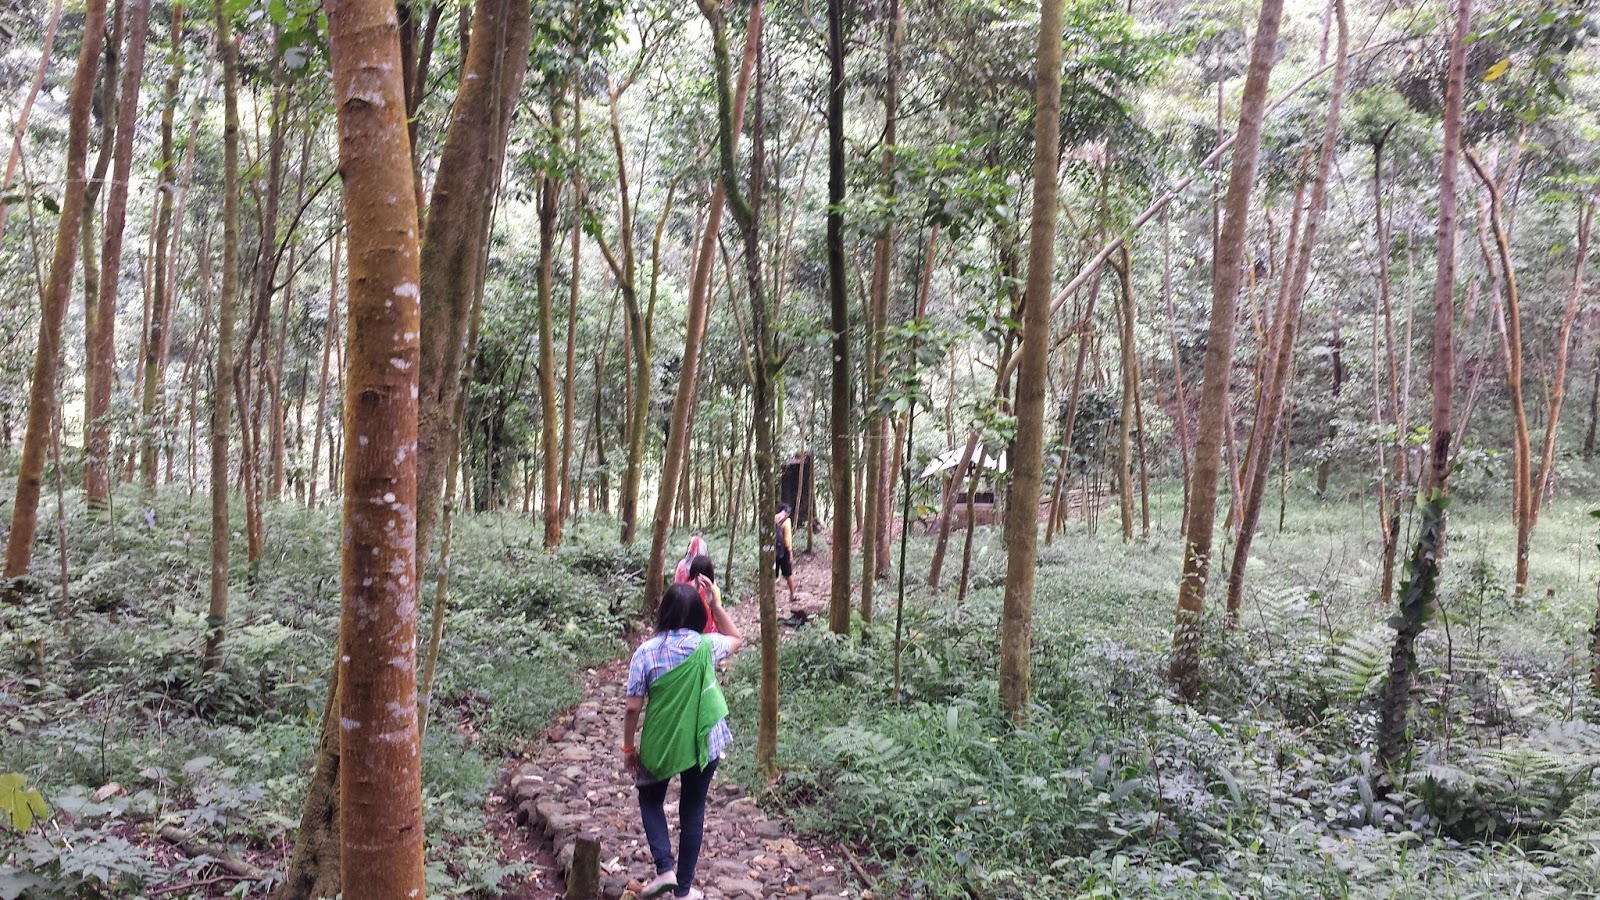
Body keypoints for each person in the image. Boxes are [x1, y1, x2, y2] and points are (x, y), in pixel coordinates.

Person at [621, 583, 743, 899]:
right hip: (704, 740)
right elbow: (736, 638)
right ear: (698, 615)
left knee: (650, 799)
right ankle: (684, 891)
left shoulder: (645, 652)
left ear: (664, 613)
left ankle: (665, 869)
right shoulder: (706, 645)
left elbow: (633, 706)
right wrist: (717, 604)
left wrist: (629, 748)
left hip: (661, 742)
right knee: (692, 809)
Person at [687, 554, 720, 635]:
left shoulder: (685, 588)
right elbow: (717, 615)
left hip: (689, 632)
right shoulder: (714, 590)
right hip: (708, 633)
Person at [774, 503, 796, 601]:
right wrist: (790, 552)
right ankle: (792, 595)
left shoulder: (773, 518)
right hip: (784, 551)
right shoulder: (787, 520)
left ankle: (771, 597)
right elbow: (787, 538)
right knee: (788, 574)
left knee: (773, 575)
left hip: (773, 551)